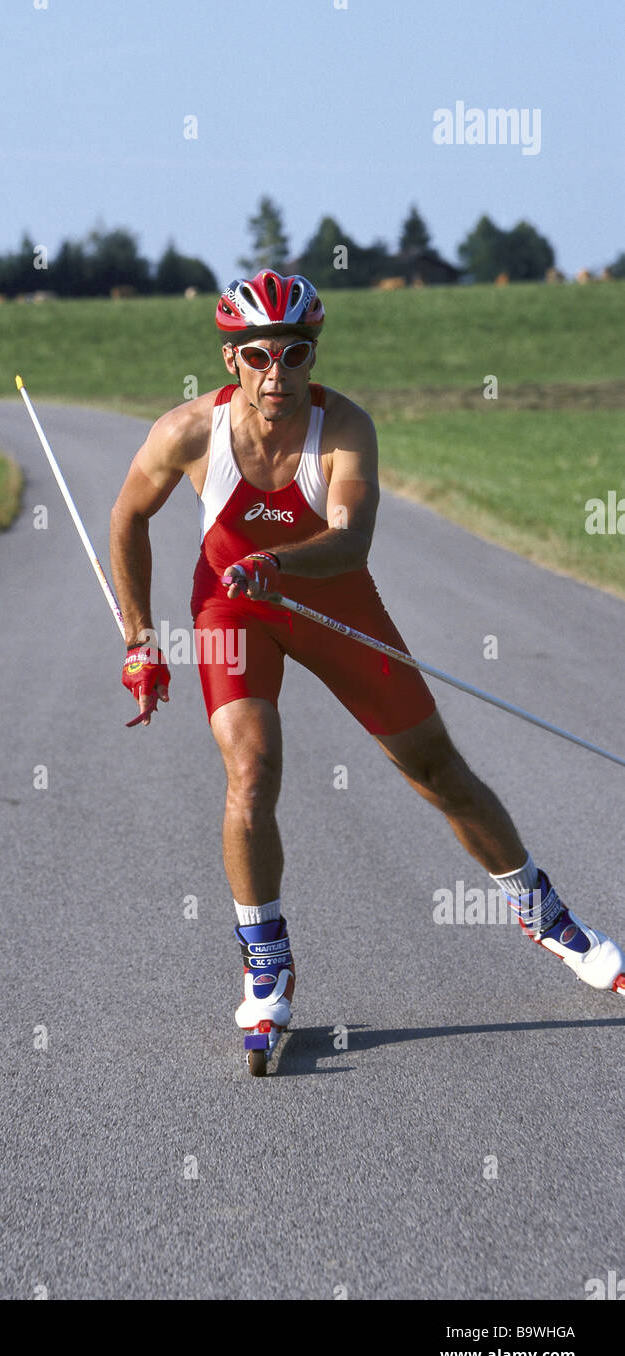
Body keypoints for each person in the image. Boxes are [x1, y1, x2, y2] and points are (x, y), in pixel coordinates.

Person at [109, 268, 624, 1055]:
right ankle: (266, 968)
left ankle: (544, 912)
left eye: (296, 353)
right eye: (258, 356)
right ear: (230, 361)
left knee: (435, 769)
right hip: (231, 610)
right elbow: (127, 517)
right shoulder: (188, 432)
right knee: (251, 771)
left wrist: (276, 564)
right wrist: (140, 641)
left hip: (330, 602)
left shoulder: (344, 427)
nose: (276, 374)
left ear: (315, 353)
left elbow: (350, 539)